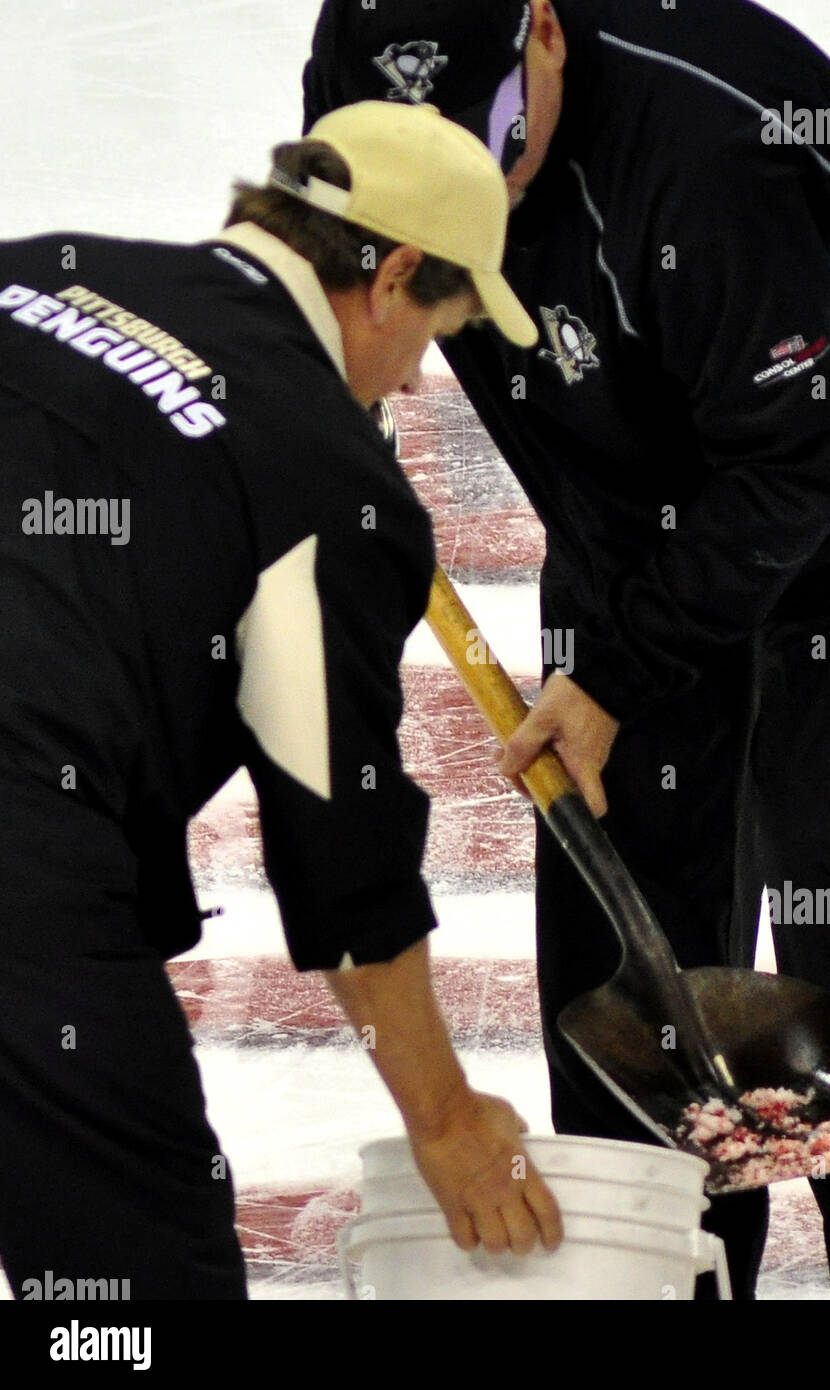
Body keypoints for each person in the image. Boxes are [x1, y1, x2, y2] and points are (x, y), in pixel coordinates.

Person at [302, 0, 830, 1299]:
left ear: (546, 34)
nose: (475, 198)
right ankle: (649, 1272)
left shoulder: (705, 158)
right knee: (610, 848)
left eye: (491, 149)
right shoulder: (371, 105)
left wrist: (622, 672)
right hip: (629, 471)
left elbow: (798, 463)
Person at [0, 98, 562, 1301]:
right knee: (134, 1282)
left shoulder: (38, 273)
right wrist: (446, 1112)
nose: (414, 385)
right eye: (434, 335)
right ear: (395, 270)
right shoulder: (322, 474)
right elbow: (339, 839)